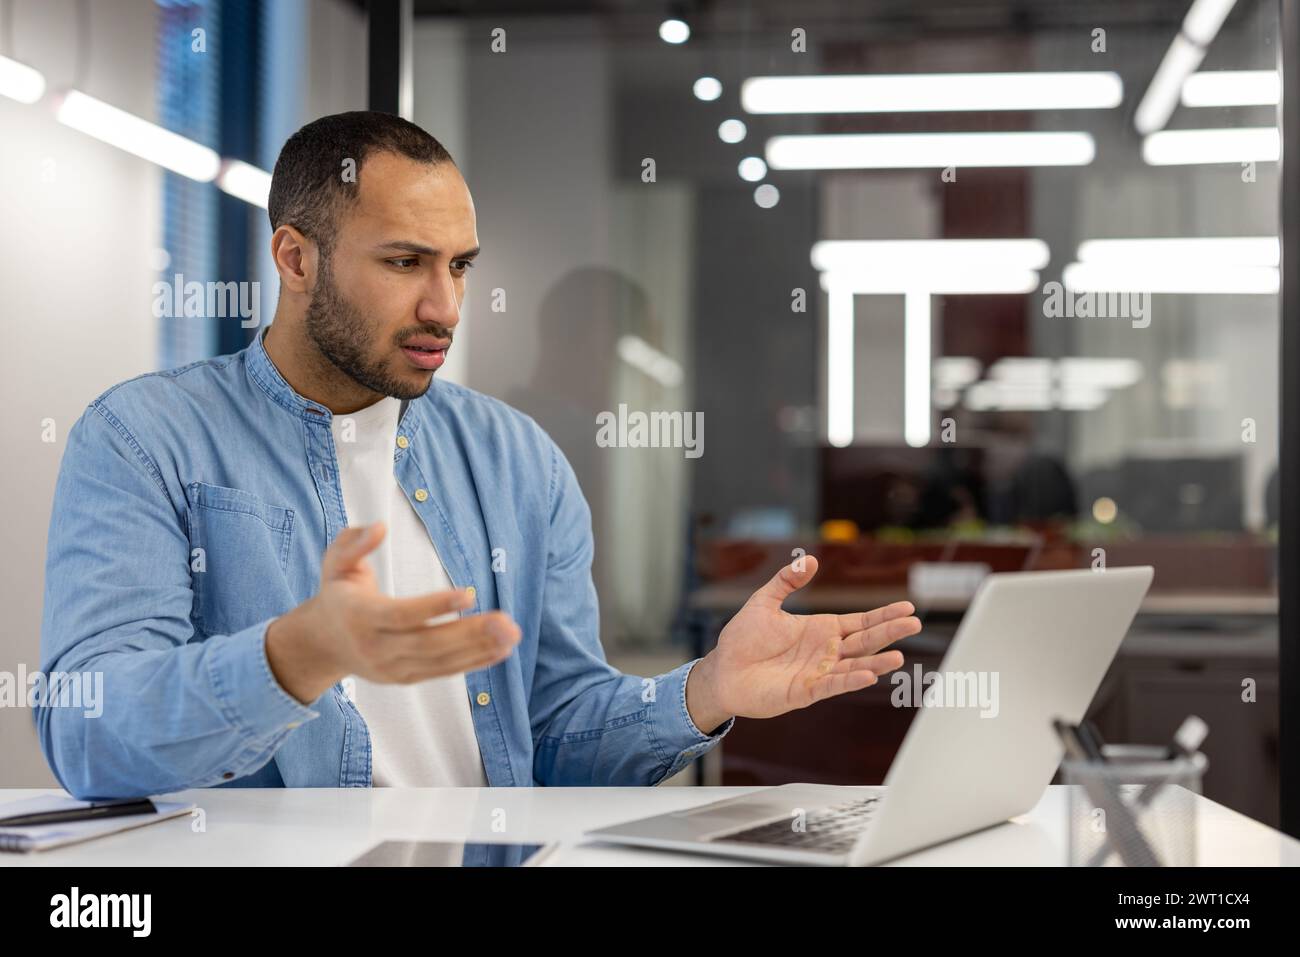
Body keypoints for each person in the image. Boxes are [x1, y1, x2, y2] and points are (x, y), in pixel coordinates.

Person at [36, 111, 920, 798]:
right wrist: (295, 655)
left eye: (460, 265)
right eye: (405, 261)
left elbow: (562, 740)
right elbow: (89, 736)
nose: (445, 305)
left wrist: (707, 691)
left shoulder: (516, 460)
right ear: (294, 259)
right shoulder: (145, 437)